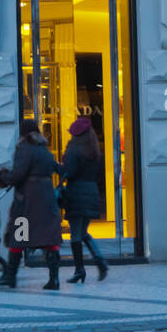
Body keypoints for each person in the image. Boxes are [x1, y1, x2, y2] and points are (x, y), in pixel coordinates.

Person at [0, 119, 64, 290]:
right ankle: (54, 279)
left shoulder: (25, 148)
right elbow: (56, 169)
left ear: (23, 133)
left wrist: (3, 177)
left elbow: (18, 175)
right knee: (49, 237)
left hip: (27, 199)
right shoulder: (45, 149)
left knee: (19, 234)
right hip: (46, 198)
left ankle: (10, 277)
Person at [59, 117, 109, 283]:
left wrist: (61, 165)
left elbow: (69, 173)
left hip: (77, 193)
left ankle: (79, 270)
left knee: (75, 234)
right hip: (91, 191)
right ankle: (100, 261)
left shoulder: (73, 150)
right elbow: (100, 176)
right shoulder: (95, 151)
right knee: (83, 232)